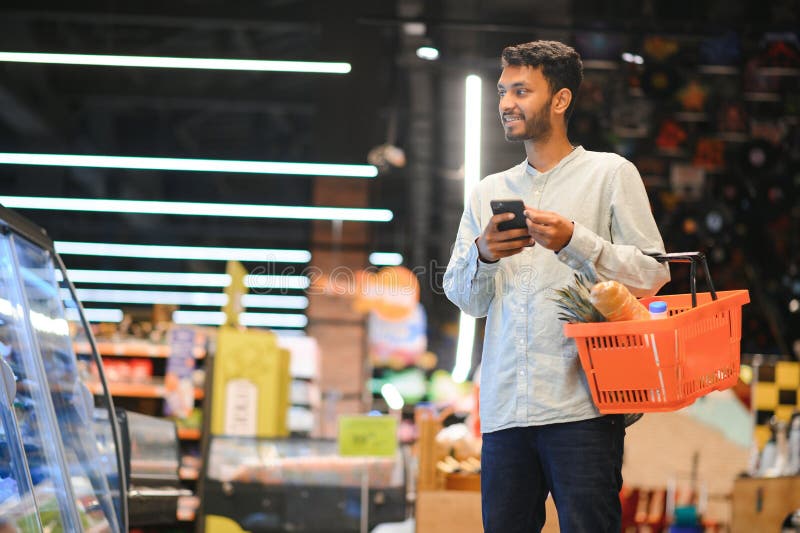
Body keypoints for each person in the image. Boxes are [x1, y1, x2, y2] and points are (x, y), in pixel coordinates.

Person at [443, 40, 671, 533]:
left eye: (521, 91)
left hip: (584, 407)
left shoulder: (611, 174)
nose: (506, 103)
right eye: (503, 91)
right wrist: (482, 254)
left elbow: (654, 274)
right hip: (504, 412)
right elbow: (465, 298)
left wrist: (576, 241)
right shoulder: (486, 192)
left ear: (561, 100)